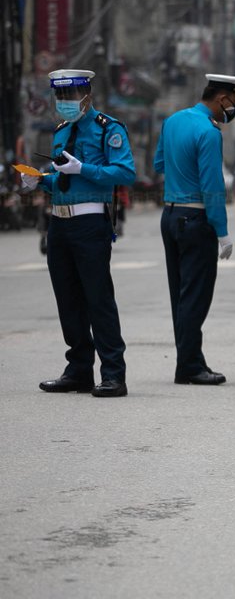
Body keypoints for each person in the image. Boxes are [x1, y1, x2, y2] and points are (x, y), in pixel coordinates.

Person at [27, 69, 136, 398]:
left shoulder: (108, 129)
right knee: (68, 299)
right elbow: (61, 177)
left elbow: (125, 172)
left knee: (98, 299)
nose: (64, 103)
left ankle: (114, 374)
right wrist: (38, 180)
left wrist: (83, 168)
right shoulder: (60, 132)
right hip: (58, 223)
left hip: (90, 223)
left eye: (70, 96)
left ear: (87, 96)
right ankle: (78, 370)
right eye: (59, 97)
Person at [154, 73, 235, 386]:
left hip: (170, 216)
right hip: (196, 220)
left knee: (179, 295)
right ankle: (189, 367)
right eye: (234, 102)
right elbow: (212, 187)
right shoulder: (209, 132)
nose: (234, 109)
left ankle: (190, 359)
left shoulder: (173, 121)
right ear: (222, 98)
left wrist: (181, 177)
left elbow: (159, 164)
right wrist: (222, 231)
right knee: (195, 296)